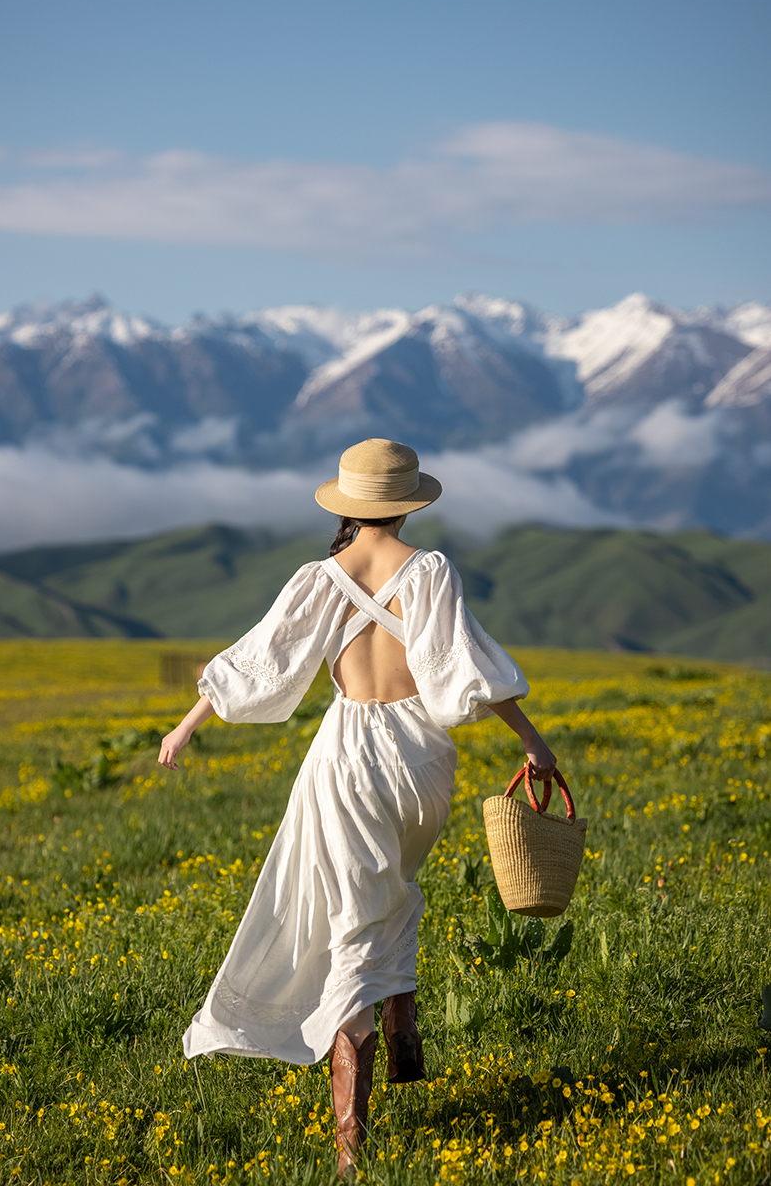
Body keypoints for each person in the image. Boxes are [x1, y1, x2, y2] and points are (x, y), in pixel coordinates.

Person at [158, 438, 556, 1176]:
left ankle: (350, 1147)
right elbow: (464, 666)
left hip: (344, 761)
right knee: (387, 896)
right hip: (421, 762)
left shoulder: (318, 578)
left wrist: (185, 726)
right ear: (409, 503)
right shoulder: (429, 571)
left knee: (355, 922)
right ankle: (405, 1045)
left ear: (346, 505)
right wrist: (534, 743)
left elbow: (259, 659)